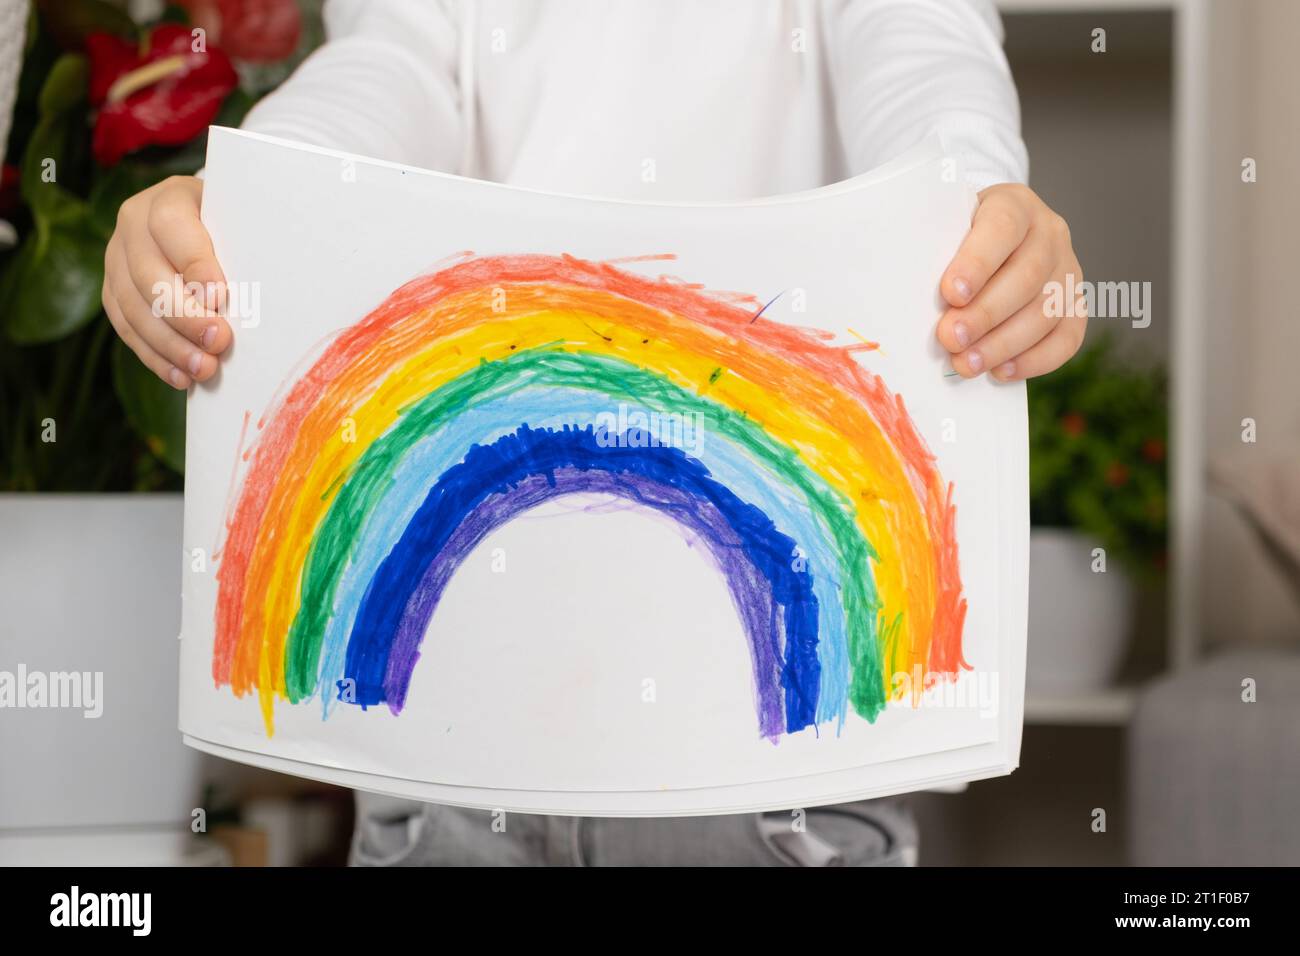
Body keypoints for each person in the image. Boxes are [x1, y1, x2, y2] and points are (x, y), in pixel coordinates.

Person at [102, 0, 1086, 866]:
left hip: (784, 772)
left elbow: (918, 47)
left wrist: (976, 200)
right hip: (452, 748)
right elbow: (387, 61)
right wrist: (248, 207)